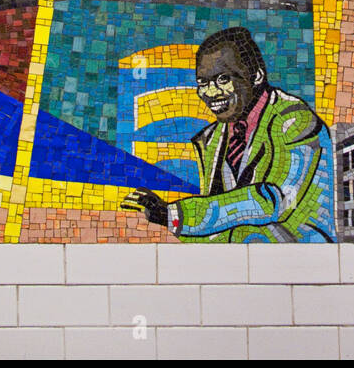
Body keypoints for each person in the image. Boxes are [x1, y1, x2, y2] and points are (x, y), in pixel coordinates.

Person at [122, 27, 334, 243]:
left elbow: (272, 201)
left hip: (299, 259)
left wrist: (176, 215)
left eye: (223, 79)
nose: (210, 93)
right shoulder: (210, 140)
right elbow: (215, 224)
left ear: (257, 76)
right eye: (202, 83)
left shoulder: (294, 120)